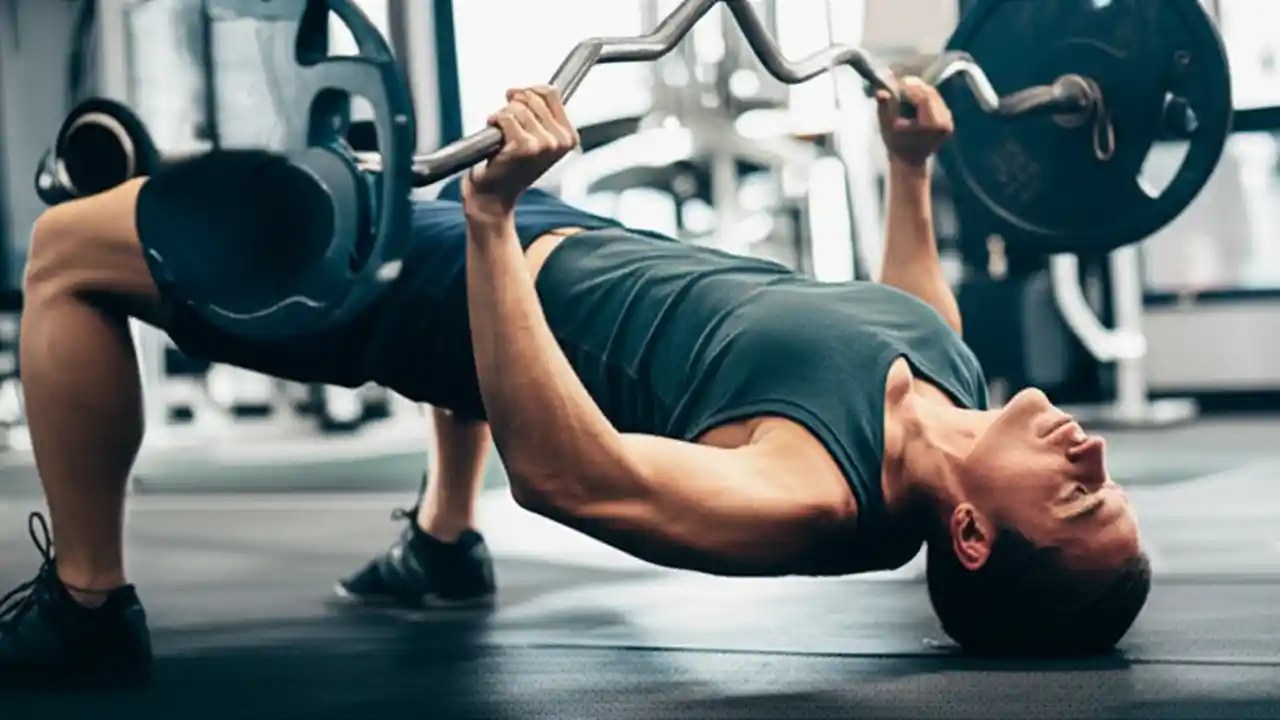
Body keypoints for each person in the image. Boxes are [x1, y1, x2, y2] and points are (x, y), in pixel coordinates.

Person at [0, 77, 1149, 680]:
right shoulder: (947, 387)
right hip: (574, 233)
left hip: (447, 283)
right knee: (220, 213)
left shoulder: (807, 491)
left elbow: (570, 477)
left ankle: (89, 604)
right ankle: (442, 544)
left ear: (968, 539)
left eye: (1079, 494)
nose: (1090, 453)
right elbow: (913, 308)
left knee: (64, 260)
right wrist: (909, 175)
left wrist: (490, 221)